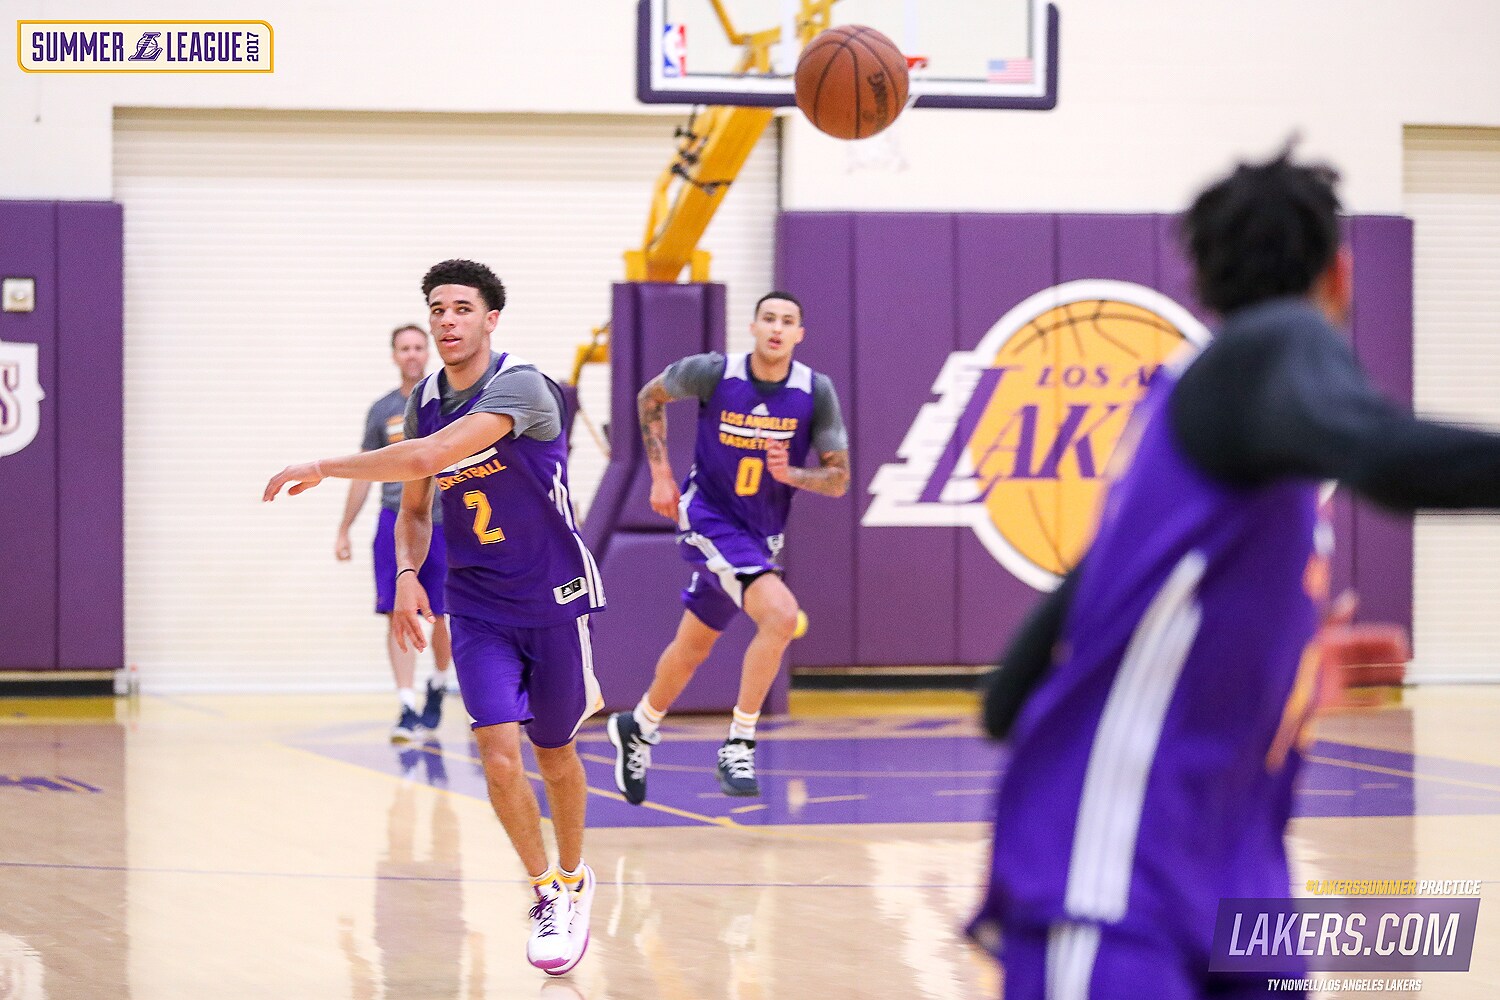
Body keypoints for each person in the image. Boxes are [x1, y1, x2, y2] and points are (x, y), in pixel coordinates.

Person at [968, 147, 1500, 1000]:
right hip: (1124, 881)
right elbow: (1388, 458)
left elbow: (1008, 696)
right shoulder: (1276, 347)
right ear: (1340, 272)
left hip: (1235, 884)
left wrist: (1266, 663)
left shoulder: (1190, 431)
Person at [265, 259, 605, 976]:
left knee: (555, 753)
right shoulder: (425, 397)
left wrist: (323, 467)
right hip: (477, 603)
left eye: (460, 308)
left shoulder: (521, 385)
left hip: (552, 596)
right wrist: (412, 575)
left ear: (490, 319)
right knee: (498, 753)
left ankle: (576, 874)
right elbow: (417, 508)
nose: (446, 321)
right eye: (436, 309)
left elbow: (431, 455)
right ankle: (547, 890)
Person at [607, 291, 849, 802]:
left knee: (693, 647)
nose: (777, 329)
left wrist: (793, 474)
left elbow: (839, 479)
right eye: (769, 319)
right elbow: (649, 396)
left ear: (800, 334)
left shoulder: (815, 390)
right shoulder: (714, 373)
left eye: (788, 321)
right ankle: (740, 742)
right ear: (753, 326)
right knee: (781, 615)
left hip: (760, 535)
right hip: (708, 517)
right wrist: (660, 475)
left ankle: (641, 724)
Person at [335, 323, 453, 742]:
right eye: (404, 348)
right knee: (396, 612)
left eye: (419, 347)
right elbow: (364, 473)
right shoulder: (382, 410)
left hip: (442, 520)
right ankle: (406, 703)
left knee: (441, 612)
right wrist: (344, 529)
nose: (412, 354)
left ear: (430, 351)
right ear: (394, 355)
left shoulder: (447, 403)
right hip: (394, 518)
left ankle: (439, 682)